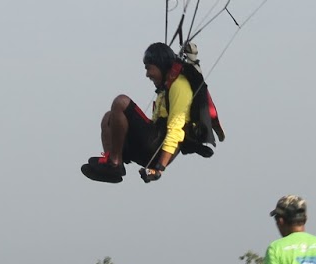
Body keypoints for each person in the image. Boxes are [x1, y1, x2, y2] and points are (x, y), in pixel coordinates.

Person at [81, 41, 223, 184]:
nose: (147, 74)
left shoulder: (179, 86)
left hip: (158, 150)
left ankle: (115, 162)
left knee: (120, 102)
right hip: (150, 145)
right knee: (109, 118)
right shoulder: (166, 86)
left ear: (160, 65)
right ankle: (112, 163)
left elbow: (176, 130)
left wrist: (159, 168)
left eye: (149, 68)